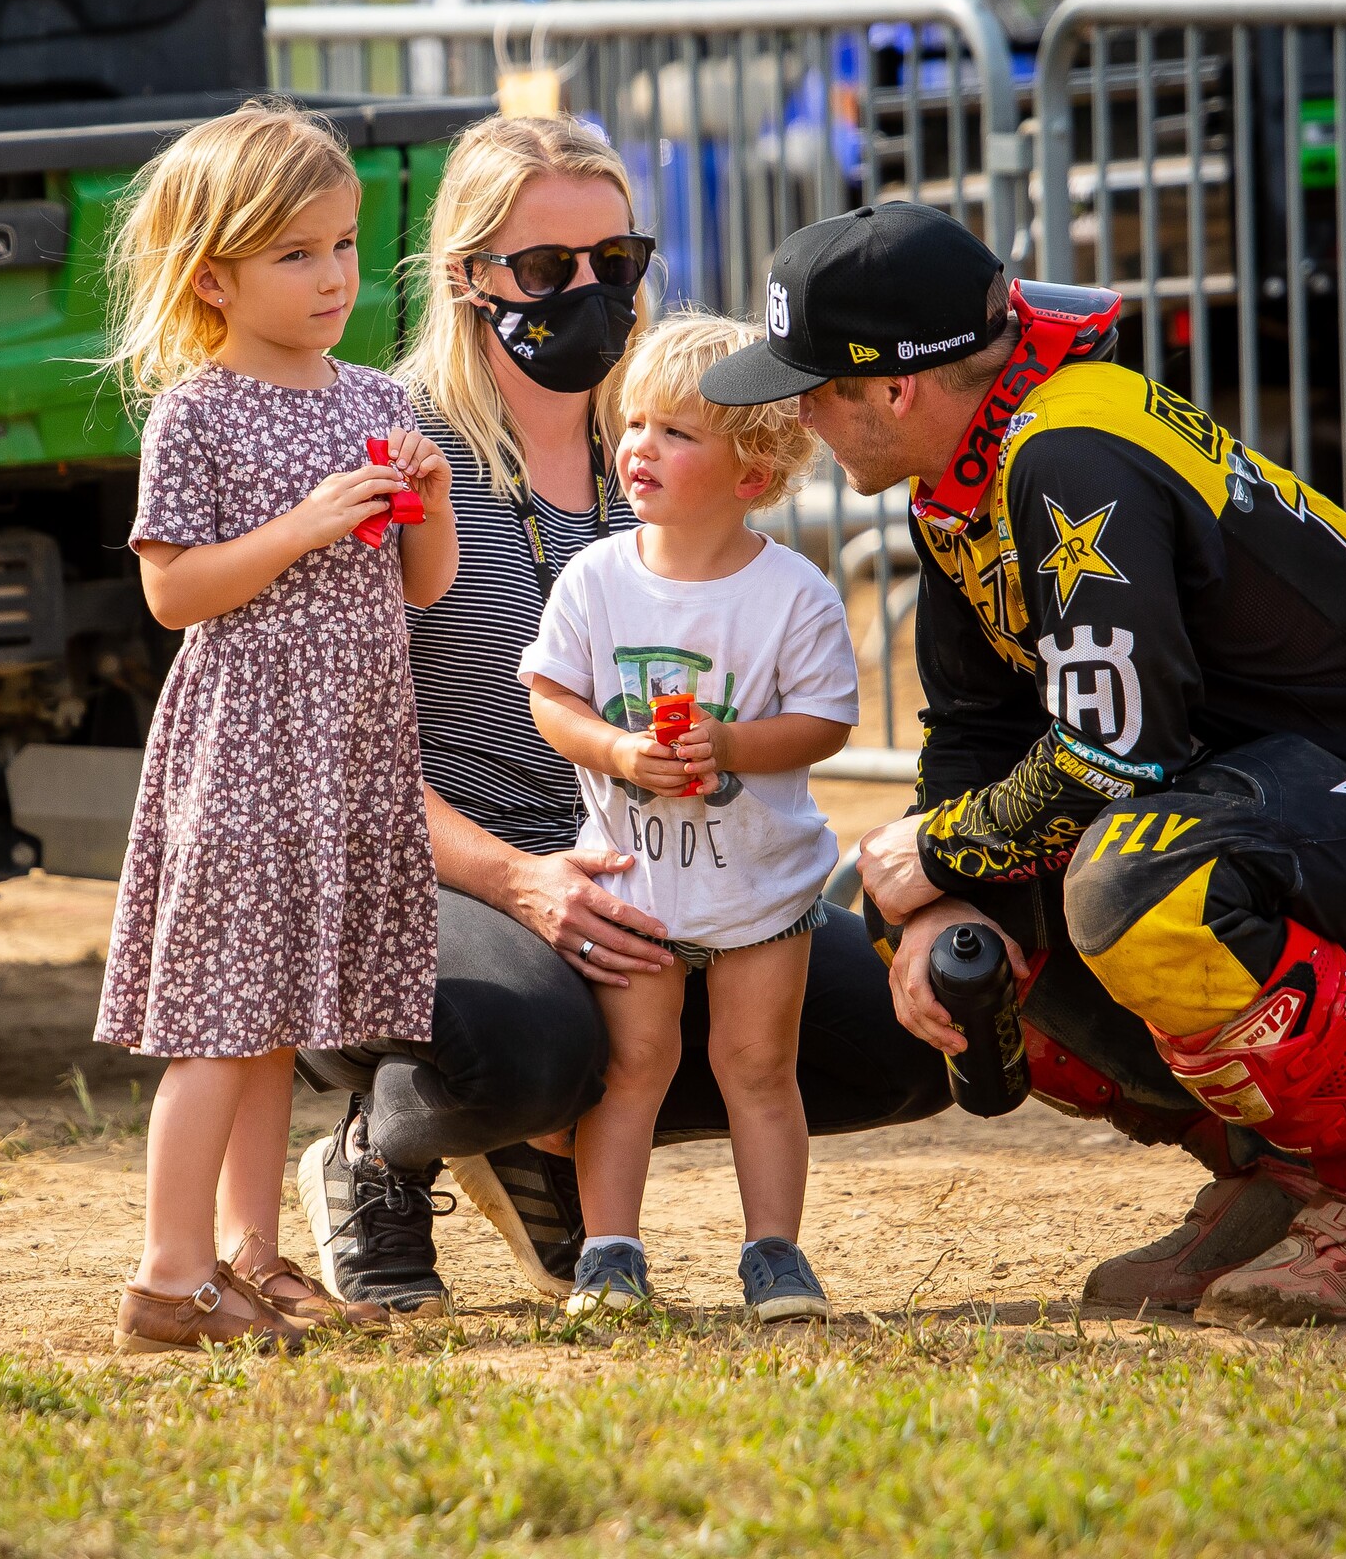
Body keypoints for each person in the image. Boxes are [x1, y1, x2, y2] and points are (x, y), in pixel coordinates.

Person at [701, 200, 1346, 1327]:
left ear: (898, 389)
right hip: (1310, 797)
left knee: (1140, 882)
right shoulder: (967, 471)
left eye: (815, 386)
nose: (797, 413)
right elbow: (975, 733)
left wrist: (940, 849)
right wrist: (938, 897)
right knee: (907, 897)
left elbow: (1113, 752)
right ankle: (1279, 1172)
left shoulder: (1070, 455)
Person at [294, 115, 954, 1318]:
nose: (591, 294)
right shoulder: (395, 449)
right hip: (441, 869)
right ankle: (380, 1150)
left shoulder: (672, 437)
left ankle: (552, 1143)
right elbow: (337, 756)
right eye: (549, 267)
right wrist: (521, 881)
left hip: (654, 865)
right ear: (468, 277)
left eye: (617, 261)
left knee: (907, 1031)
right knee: (527, 1045)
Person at [92, 102, 459, 1353]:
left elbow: (423, 587)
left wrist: (430, 501)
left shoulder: (375, 397)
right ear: (213, 277)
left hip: (342, 749)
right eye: (296, 254)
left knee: (278, 1018)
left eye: (345, 245)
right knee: (219, 1017)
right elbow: (174, 592)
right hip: (247, 749)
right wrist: (305, 523)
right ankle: (169, 1273)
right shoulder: (196, 413)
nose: (335, 276)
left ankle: (253, 1257)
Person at [522, 314, 855, 1321]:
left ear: (753, 474)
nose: (639, 448)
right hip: (637, 884)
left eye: (675, 433)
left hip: (761, 886)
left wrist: (733, 745)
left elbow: (825, 721)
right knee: (633, 1064)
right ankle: (610, 1255)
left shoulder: (793, 592)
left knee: (759, 1067)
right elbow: (551, 697)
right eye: (633, 424)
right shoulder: (595, 577)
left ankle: (774, 1254)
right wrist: (618, 751)